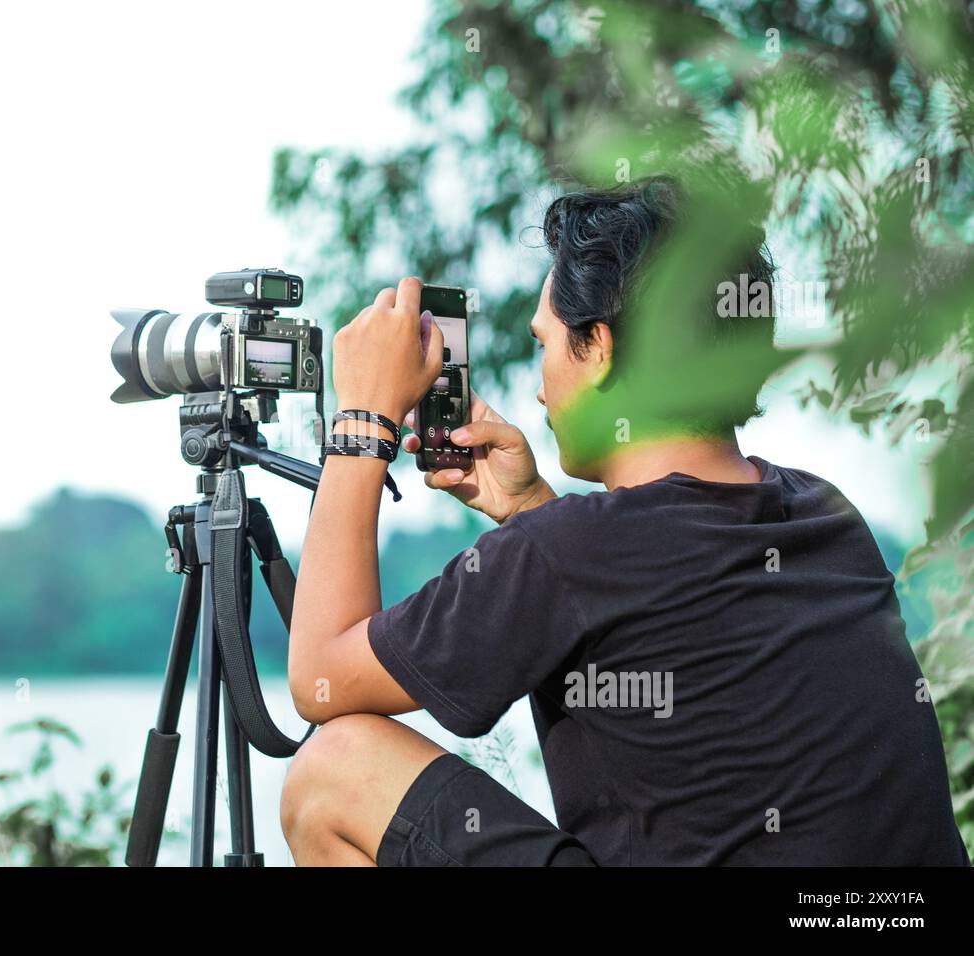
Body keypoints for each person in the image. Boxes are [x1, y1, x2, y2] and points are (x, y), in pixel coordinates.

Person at [280, 177, 970, 867]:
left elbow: (319, 675)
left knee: (332, 772)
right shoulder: (825, 515)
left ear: (600, 348)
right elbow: (659, 613)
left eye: (546, 345)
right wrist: (528, 512)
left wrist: (362, 424)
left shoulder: (572, 553)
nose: (540, 386)